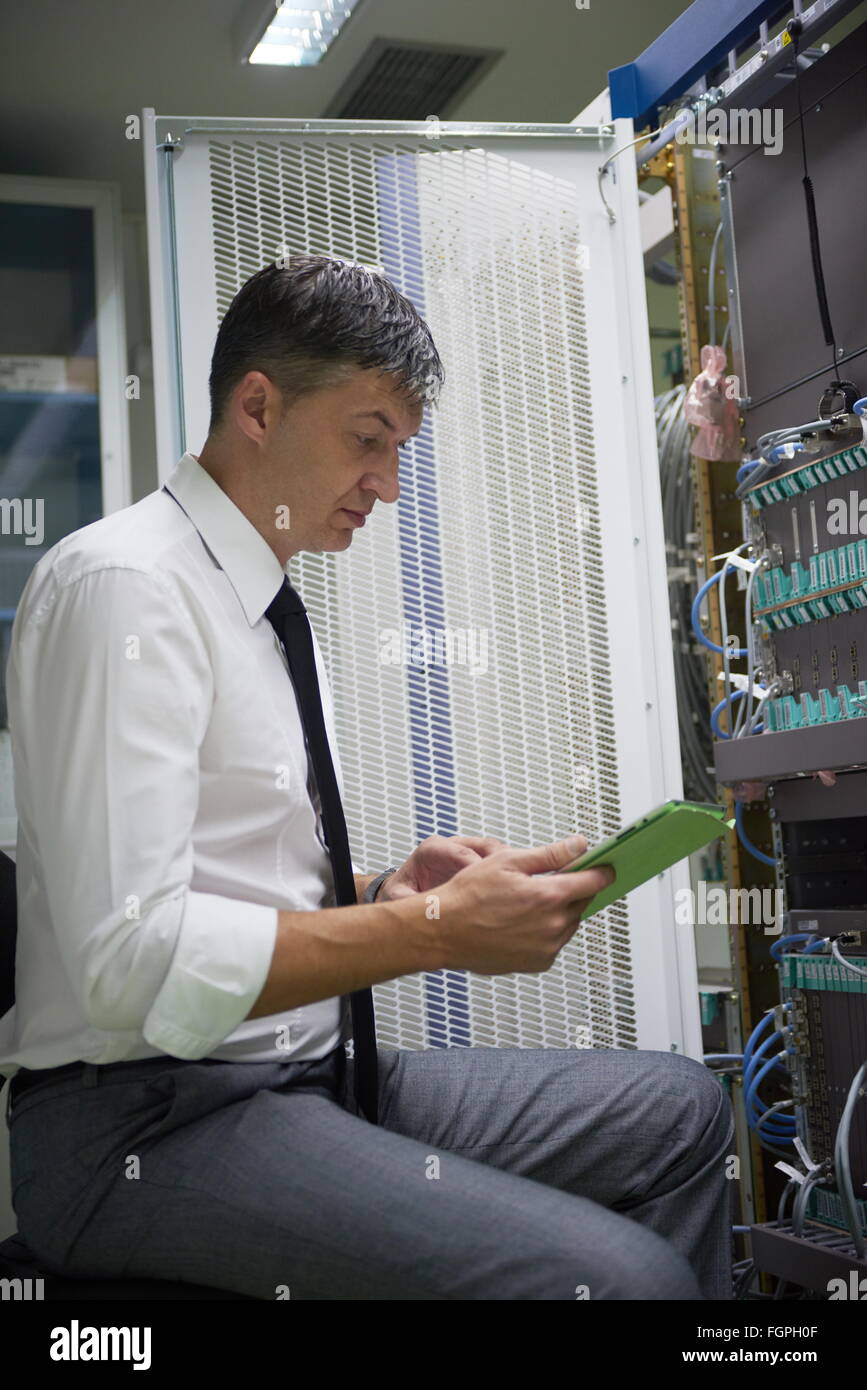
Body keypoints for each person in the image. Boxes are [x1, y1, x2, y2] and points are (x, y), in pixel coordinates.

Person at [1, 254, 734, 1300]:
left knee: (680, 1108)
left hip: (301, 1074)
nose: (388, 484)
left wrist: (389, 895)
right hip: (144, 1121)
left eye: (400, 450)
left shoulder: (259, 604)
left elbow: (226, 896)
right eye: (368, 439)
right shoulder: (128, 589)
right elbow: (132, 961)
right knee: (621, 1281)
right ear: (258, 406)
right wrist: (434, 935)